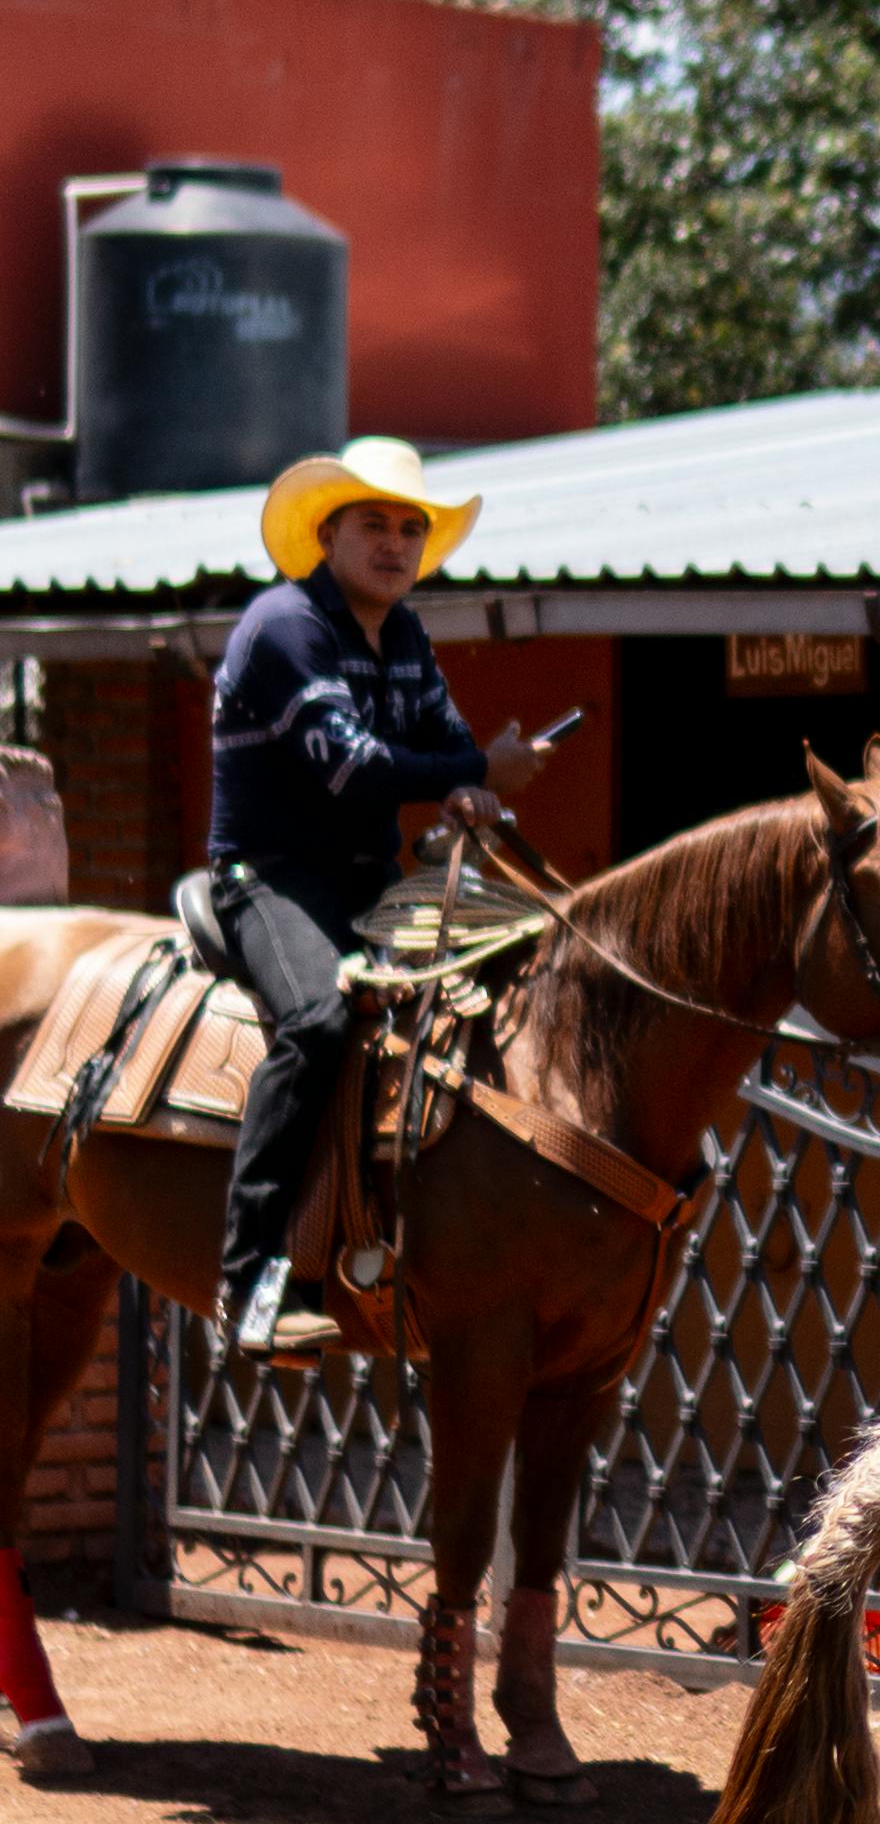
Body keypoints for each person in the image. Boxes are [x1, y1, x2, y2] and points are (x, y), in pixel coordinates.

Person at [203, 435, 549, 1353]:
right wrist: (478, 767)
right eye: (375, 525)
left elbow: (438, 729)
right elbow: (348, 768)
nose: (395, 543)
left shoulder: (402, 633)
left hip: (365, 884)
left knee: (514, 971)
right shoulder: (283, 625)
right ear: (327, 533)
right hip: (266, 881)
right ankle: (251, 1283)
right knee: (317, 1021)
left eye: (411, 527)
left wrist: (470, 780)